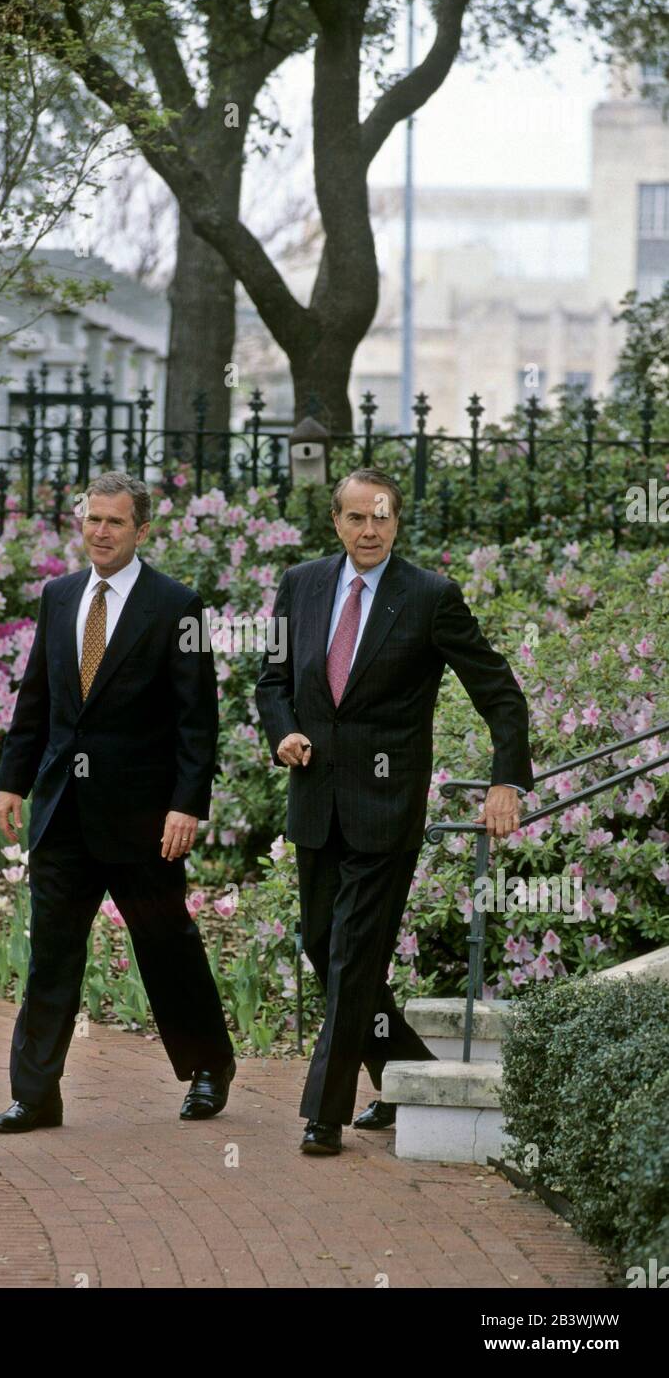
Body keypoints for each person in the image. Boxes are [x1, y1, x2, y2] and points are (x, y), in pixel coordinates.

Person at [255, 468, 532, 1155]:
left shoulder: (429, 597)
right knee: (324, 947)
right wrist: (282, 730)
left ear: (397, 522)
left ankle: (324, 1113)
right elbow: (271, 680)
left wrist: (506, 782)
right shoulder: (302, 584)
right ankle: (408, 1074)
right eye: (355, 518)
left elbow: (499, 691)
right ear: (336, 521)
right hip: (315, 802)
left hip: (385, 809)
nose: (368, 530)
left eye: (381, 517)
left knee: (350, 955)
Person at [0, 471, 235, 1133]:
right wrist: (12, 779)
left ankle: (209, 1068)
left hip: (145, 820)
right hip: (63, 811)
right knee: (52, 956)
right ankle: (36, 1094)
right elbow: (36, 698)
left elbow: (196, 721)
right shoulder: (60, 596)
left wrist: (187, 804)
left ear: (142, 530)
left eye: (114, 522)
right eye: (92, 519)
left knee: (166, 945)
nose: (99, 532)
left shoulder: (176, 605)